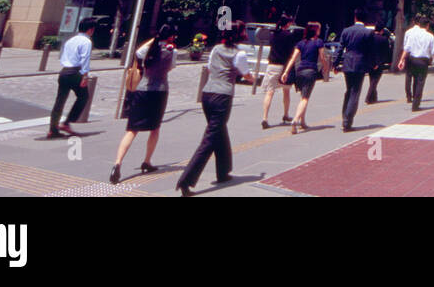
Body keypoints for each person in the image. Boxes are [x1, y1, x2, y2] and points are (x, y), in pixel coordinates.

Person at [177, 21, 254, 195]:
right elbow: (246, 74)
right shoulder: (239, 53)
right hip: (223, 96)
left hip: (207, 94)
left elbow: (211, 69)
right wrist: (252, 79)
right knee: (210, 138)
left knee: (219, 131)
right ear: (239, 34)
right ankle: (186, 180)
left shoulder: (216, 49)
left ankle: (223, 171)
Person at [111, 24, 176, 184]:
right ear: (171, 36)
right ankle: (147, 161)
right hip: (159, 91)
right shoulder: (171, 51)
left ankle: (117, 163)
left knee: (132, 130)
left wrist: (154, 41)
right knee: (155, 128)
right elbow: (170, 68)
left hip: (142, 90)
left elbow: (138, 53)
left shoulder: (148, 49)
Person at [49, 17, 96, 138]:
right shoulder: (87, 42)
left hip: (64, 71)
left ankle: (52, 129)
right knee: (83, 97)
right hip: (75, 72)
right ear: (90, 30)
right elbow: (85, 59)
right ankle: (67, 122)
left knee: (59, 101)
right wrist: (85, 76)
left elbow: (63, 56)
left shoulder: (70, 40)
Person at [282, 22, 326, 134]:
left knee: (303, 96)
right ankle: (295, 120)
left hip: (299, 71)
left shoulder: (301, 43)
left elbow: (293, 58)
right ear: (315, 30)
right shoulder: (319, 42)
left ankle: (303, 121)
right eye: (319, 29)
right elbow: (322, 57)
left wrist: (286, 72)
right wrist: (325, 68)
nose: (320, 30)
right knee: (305, 98)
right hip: (310, 71)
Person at [261, 16, 299, 129]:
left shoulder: (273, 35)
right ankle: (286, 114)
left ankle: (264, 118)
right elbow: (291, 52)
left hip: (272, 65)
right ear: (287, 24)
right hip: (284, 67)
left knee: (269, 92)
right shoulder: (289, 36)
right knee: (286, 91)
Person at [339, 9, 374, 131]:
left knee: (348, 90)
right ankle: (347, 120)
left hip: (348, 63)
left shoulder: (346, 31)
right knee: (355, 92)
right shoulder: (368, 33)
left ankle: (344, 116)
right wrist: (373, 64)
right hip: (360, 64)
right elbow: (370, 51)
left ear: (355, 18)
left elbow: (340, 48)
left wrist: (335, 64)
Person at [400, 16, 434, 111]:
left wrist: (401, 60)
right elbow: (433, 52)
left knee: (412, 78)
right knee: (420, 82)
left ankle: (410, 97)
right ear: (427, 25)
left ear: (419, 24)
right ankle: (415, 105)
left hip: (412, 59)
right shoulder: (430, 36)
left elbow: (407, 48)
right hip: (423, 61)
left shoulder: (412, 34)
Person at [366, 24, 391, 104]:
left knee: (372, 79)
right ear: (382, 30)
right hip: (379, 62)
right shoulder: (384, 39)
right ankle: (369, 97)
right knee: (374, 81)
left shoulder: (369, 38)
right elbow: (387, 52)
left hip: (369, 61)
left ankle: (374, 97)